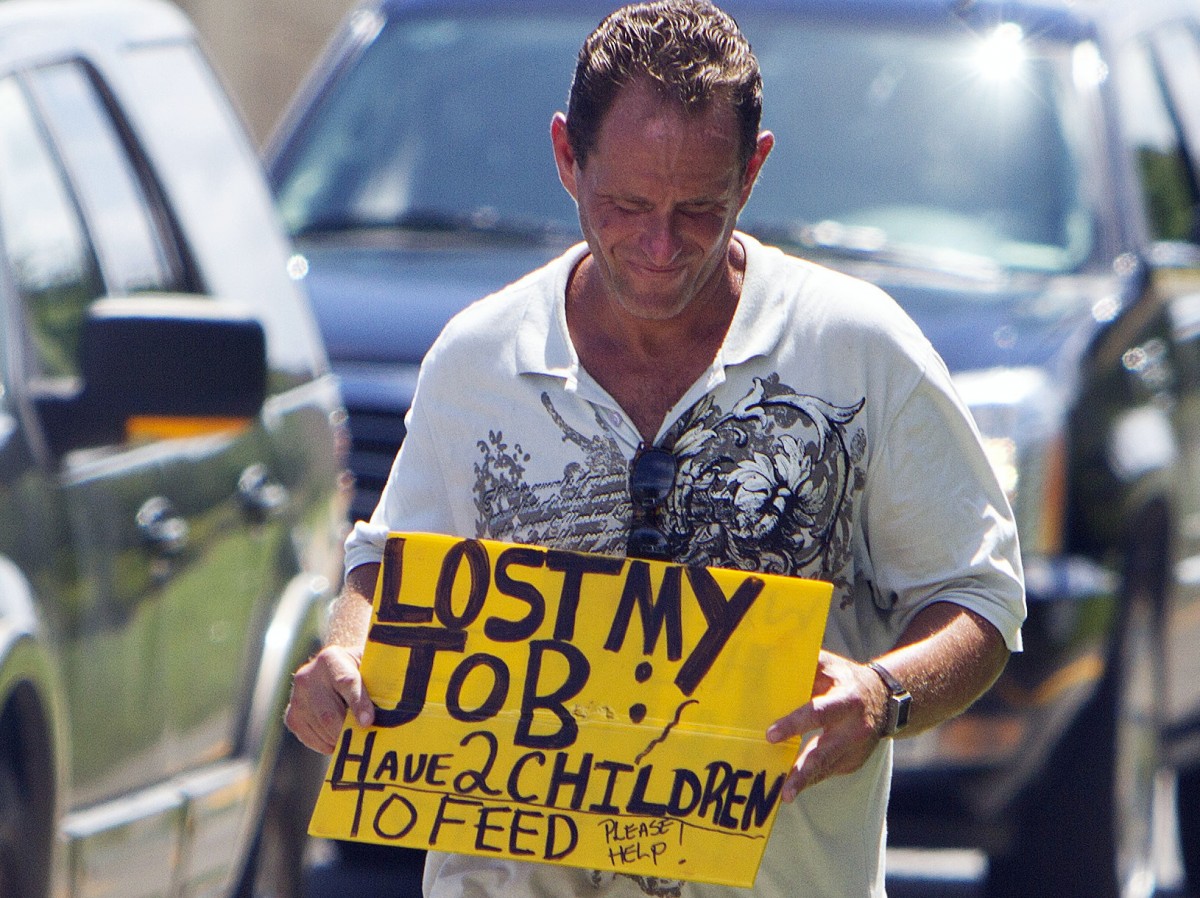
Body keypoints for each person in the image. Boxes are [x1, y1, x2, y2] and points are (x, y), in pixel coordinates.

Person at [285, 1, 1026, 896]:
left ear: (753, 171)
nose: (660, 246)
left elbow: (978, 596)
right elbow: (392, 563)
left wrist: (879, 697)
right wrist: (346, 654)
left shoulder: (860, 351)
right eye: (627, 204)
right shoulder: (479, 360)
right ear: (566, 158)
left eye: (698, 209)